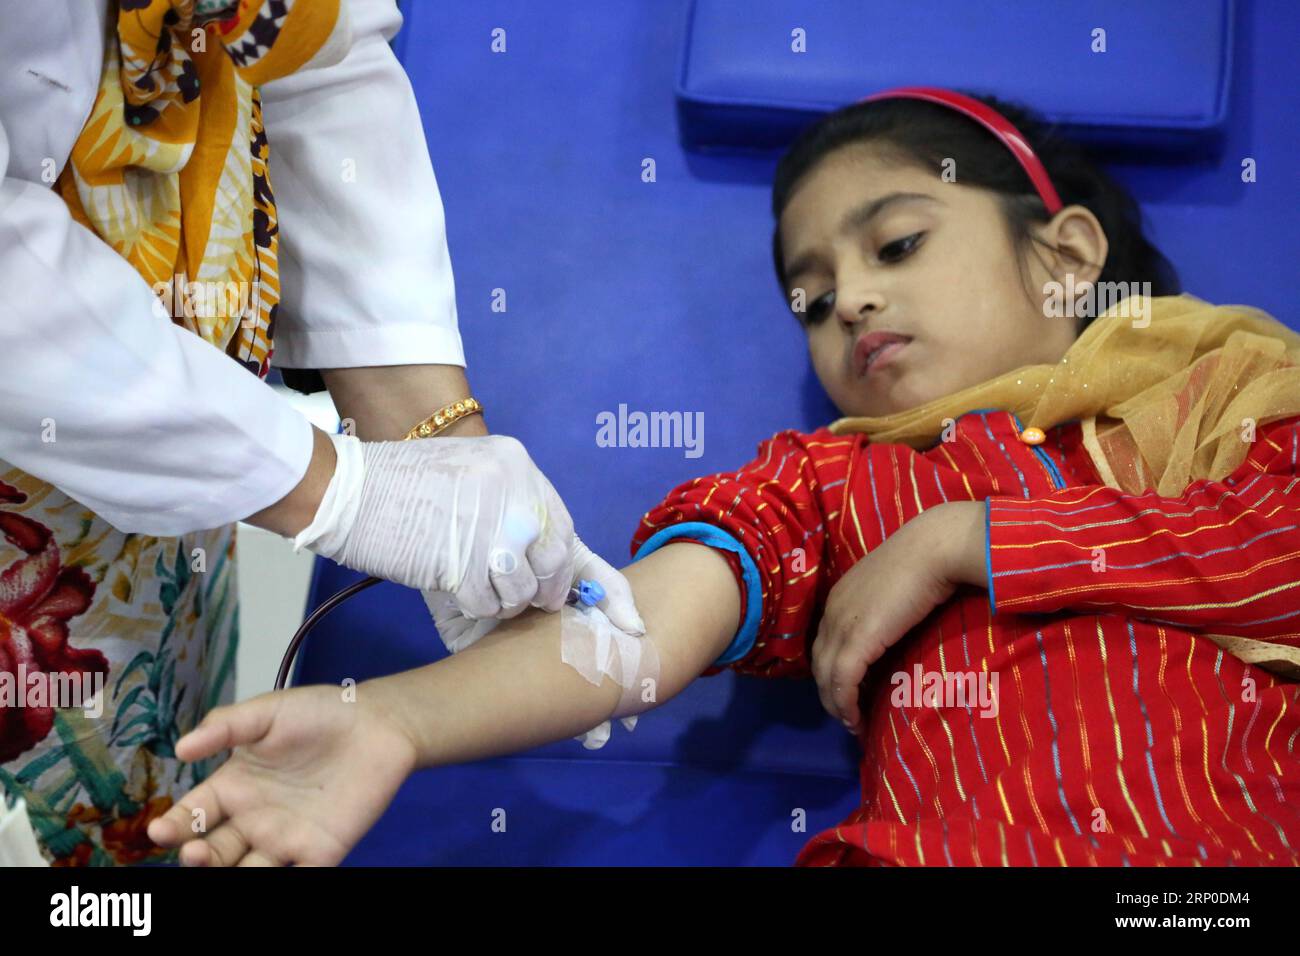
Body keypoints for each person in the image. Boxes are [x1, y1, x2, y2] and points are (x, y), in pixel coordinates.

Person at [147, 89, 1300, 866]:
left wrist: (971, 542)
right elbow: (632, 627)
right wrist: (389, 719)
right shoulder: (831, 482)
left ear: (1066, 259)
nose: (846, 298)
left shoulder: (1214, 402)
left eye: (895, 245)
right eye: (810, 294)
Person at [0, 0, 640, 866]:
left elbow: (311, 52)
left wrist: (430, 440)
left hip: (157, 500)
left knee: (152, 768)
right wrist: (347, 493)